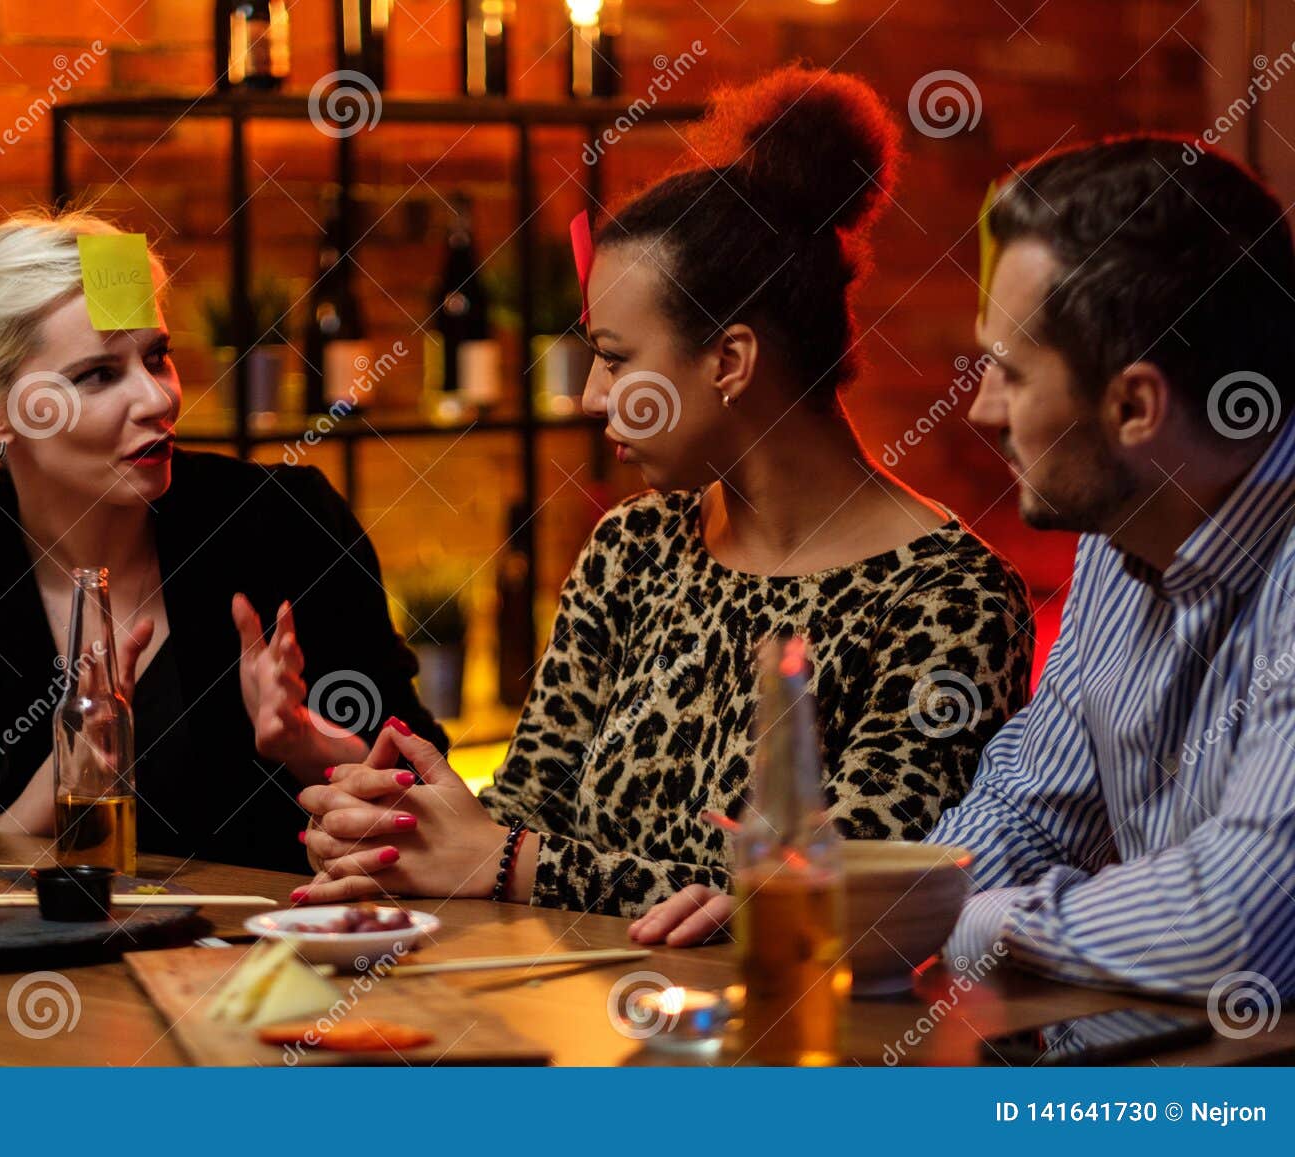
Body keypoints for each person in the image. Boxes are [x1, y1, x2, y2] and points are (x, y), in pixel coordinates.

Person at [292, 68, 1034, 915]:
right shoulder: (632, 548)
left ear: (730, 362)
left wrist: (506, 861)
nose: (593, 396)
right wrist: (411, 822)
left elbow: (838, 893)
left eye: (616, 357)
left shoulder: (951, 600)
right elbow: (528, 810)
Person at [637, 135, 1295, 1001]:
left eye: (1011, 373)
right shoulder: (1119, 535)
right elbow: (1030, 807)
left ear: (1135, 405)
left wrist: (972, 919)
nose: (979, 406)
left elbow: (1232, 927)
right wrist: (859, 902)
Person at [0, 210, 445, 873]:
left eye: (157, 356)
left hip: (279, 963)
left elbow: (435, 799)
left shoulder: (285, 522)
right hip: (48, 973)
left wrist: (309, 747)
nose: (157, 397)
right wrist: (68, 775)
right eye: (97, 374)